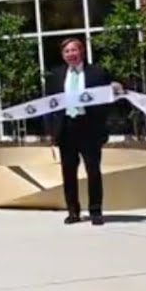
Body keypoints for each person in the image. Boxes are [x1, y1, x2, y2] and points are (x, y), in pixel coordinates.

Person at [45, 36, 122, 226]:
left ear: (82, 52)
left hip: (89, 129)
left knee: (93, 171)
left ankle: (95, 211)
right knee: (68, 173)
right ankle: (73, 211)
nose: (71, 54)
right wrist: (51, 132)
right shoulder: (55, 75)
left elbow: (112, 95)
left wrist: (117, 87)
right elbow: (49, 106)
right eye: (67, 51)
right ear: (63, 55)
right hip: (66, 129)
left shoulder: (97, 72)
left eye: (74, 50)